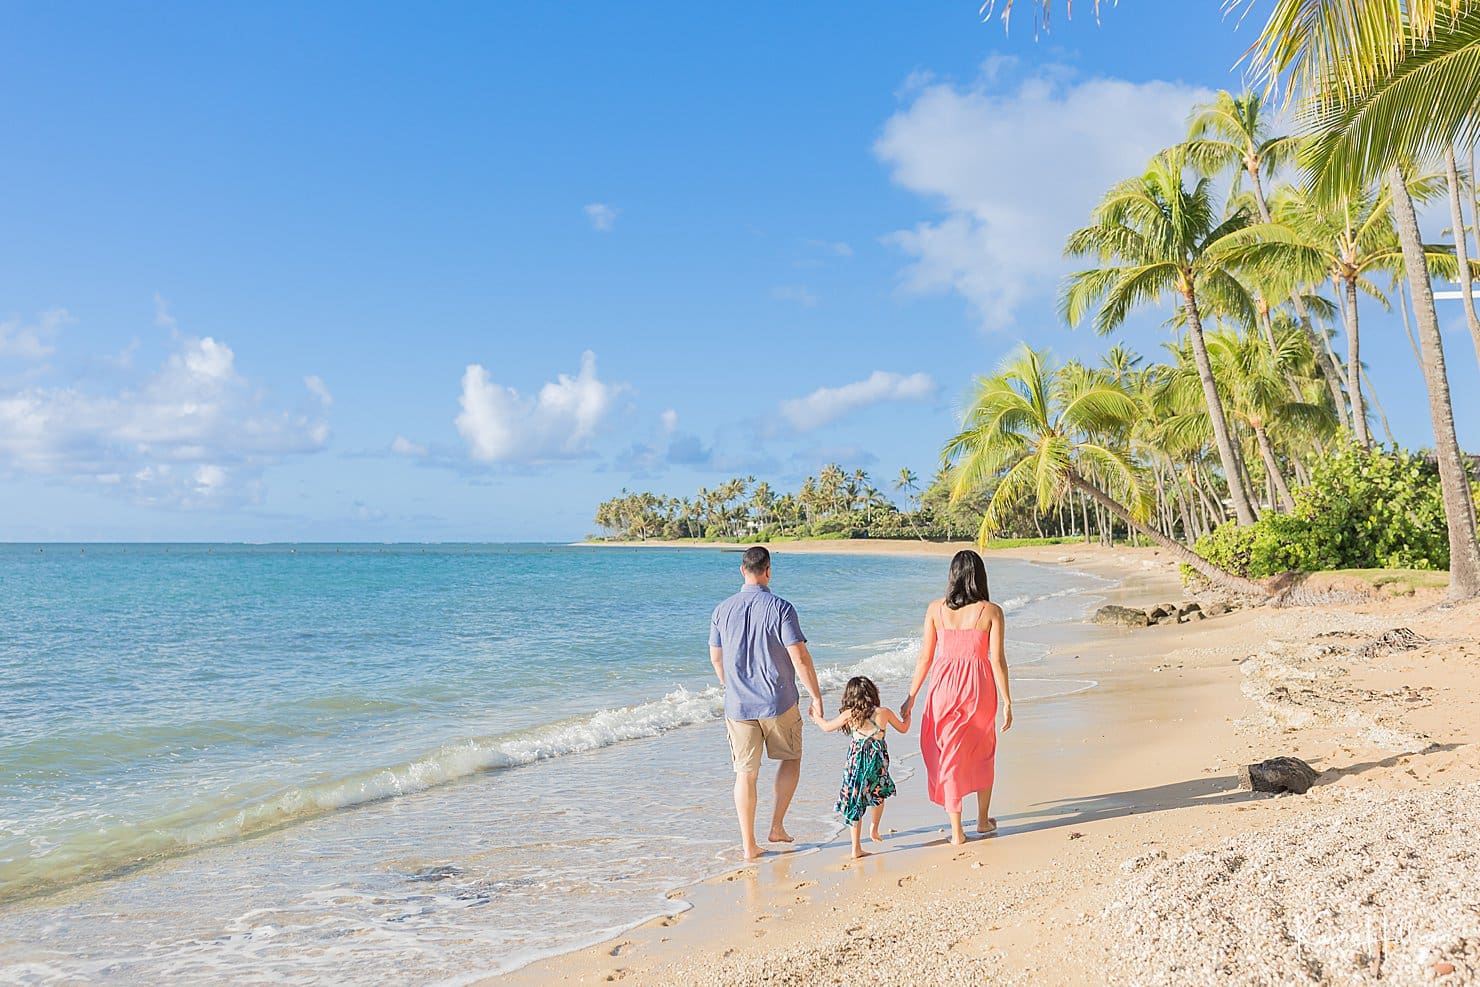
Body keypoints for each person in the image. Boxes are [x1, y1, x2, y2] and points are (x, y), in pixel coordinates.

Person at [709, 546, 825, 860]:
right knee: (791, 758)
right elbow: (799, 657)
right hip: (778, 700)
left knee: (745, 773)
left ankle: (749, 846)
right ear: (768, 571)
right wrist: (816, 696)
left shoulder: (722, 610)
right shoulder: (781, 608)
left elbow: (716, 659)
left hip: (738, 705)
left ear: (742, 571)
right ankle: (776, 826)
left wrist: (729, 685)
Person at [900, 549, 1012, 846]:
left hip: (943, 688)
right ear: (980, 577)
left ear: (952, 576)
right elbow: (998, 660)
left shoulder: (936, 609)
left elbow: (925, 657)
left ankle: (956, 830)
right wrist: (1008, 701)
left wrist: (911, 697)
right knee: (983, 749)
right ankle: (983, 819)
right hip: (979, 688)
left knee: (948, 753)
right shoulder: (991, 611)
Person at [811, 675, 909, 859]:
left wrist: (816, 717)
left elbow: (826, 727)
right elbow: (904, 729)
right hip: (877, 763)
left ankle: (856, 848)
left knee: (854, 800)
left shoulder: (850, 715)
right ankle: (874, 829)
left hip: (855, 764)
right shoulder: (883, 712)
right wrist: (908, 715)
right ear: (872, 692)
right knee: (878, 793)